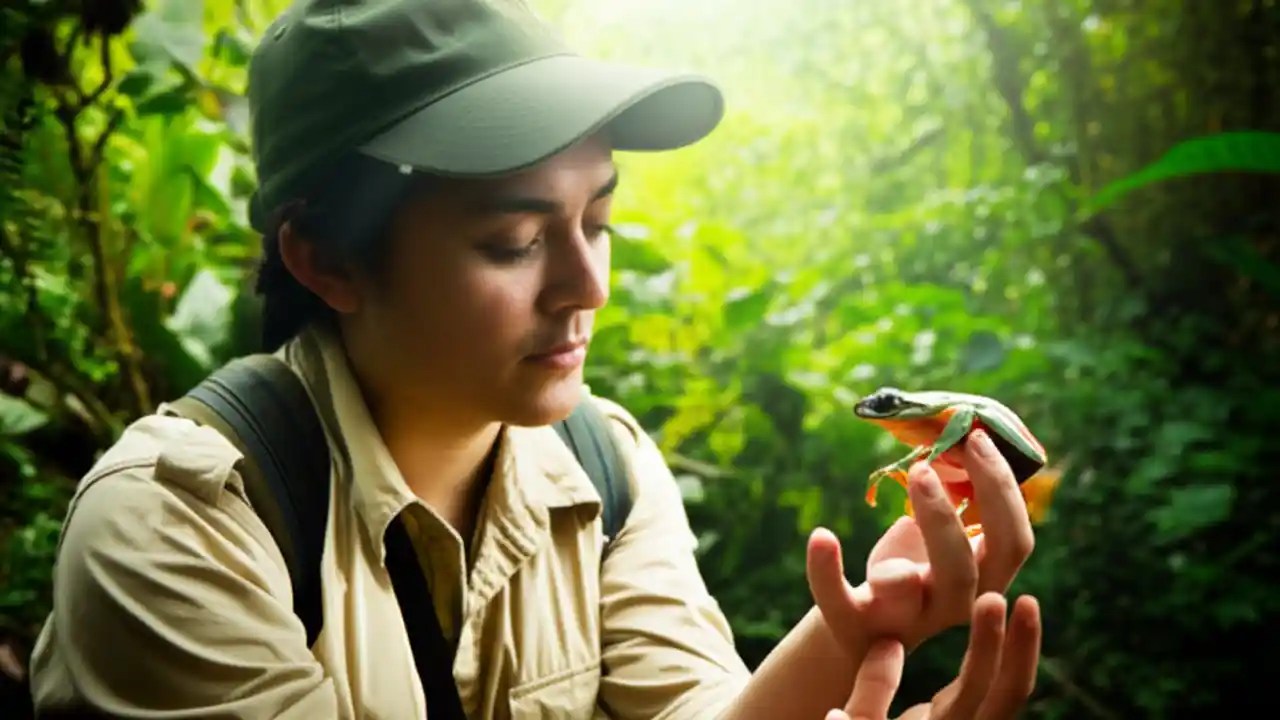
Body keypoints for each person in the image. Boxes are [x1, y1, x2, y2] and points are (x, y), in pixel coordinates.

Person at [27, 1, 1041, 718]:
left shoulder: (605, 468)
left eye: (597, 219)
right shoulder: (176, 527)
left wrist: (854, 628)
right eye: (513, 242)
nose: (586, 286)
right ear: (325, 256)